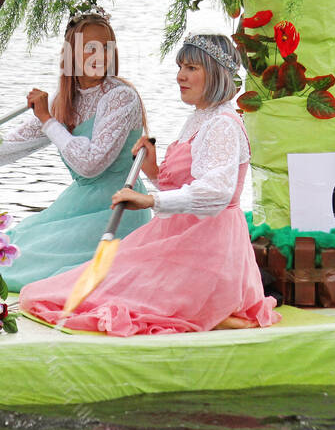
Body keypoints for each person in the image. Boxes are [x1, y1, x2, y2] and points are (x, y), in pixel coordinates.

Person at [19, 33, 281, 335]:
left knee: (109, 297)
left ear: (216, 74)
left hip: (209, 248)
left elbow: (217, 194)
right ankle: (212, 309)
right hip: (183, 237)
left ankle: (218, 306)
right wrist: (153, 170)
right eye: (180, 67)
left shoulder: (222, 124)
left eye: (192, 69)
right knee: (77, 288)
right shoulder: (201, 118)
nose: (180, 76)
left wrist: (150, 201)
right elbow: (185, 190)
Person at [0, 8, 150, 291]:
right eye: (89, 48)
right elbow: (8, 147)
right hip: (78, 206)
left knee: (26, 266)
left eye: (106, 47)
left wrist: (47, 120)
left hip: (118, 210)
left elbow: (90, 163)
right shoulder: (65, 101)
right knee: (11, 244)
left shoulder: (120, 97)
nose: (99, 55)